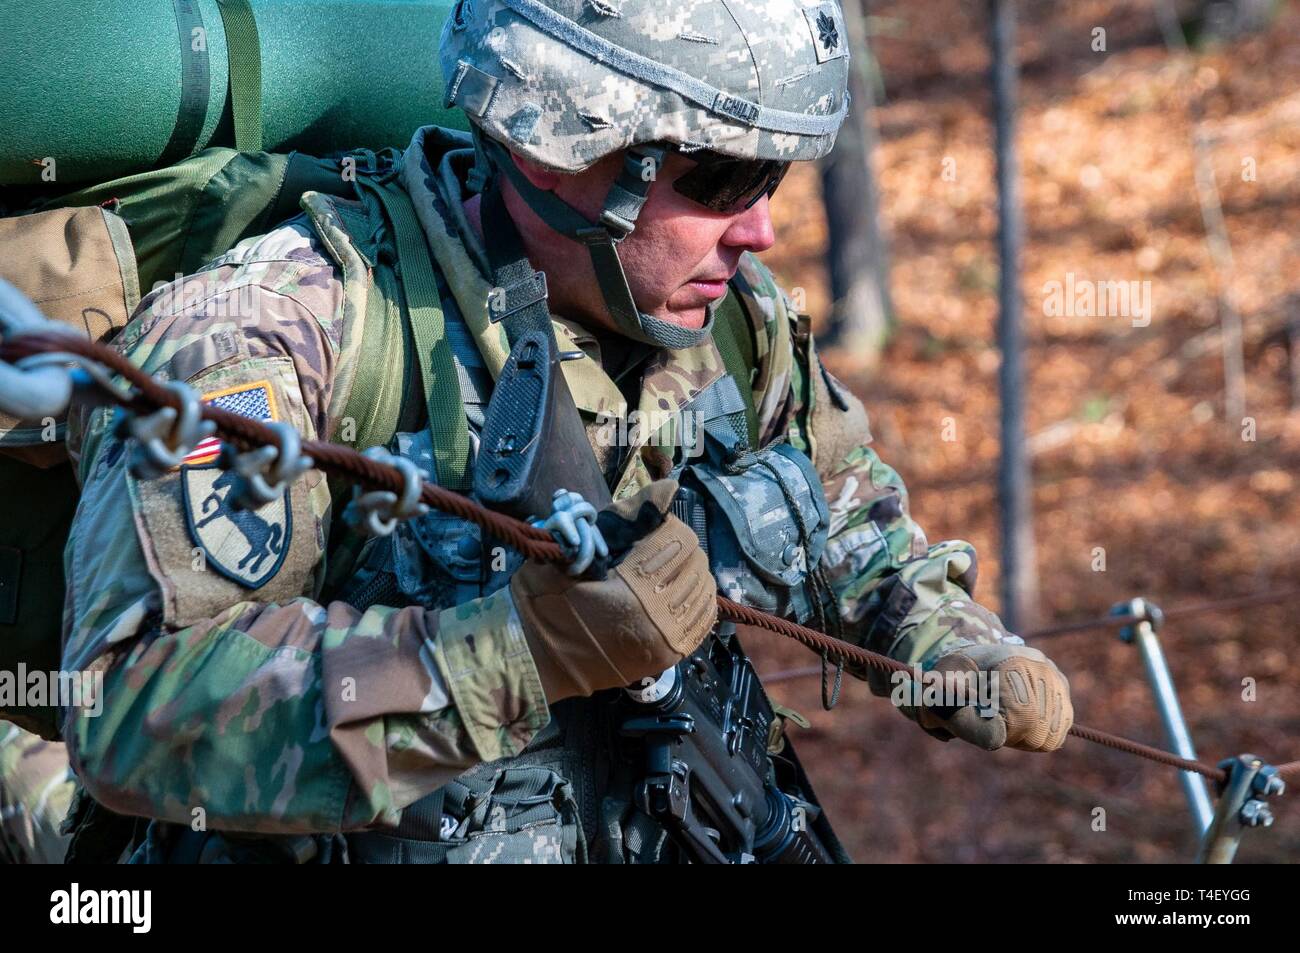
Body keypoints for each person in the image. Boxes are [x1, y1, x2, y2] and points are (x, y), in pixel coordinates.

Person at [54, 0, 1072, 863]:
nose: (759, 228)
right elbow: (137, 712)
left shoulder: (724, 315)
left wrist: (943, 640)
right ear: (560, 141)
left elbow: (834, 502)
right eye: (717, 179)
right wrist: (506, 653)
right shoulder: (273, 334)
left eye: (774, 178)